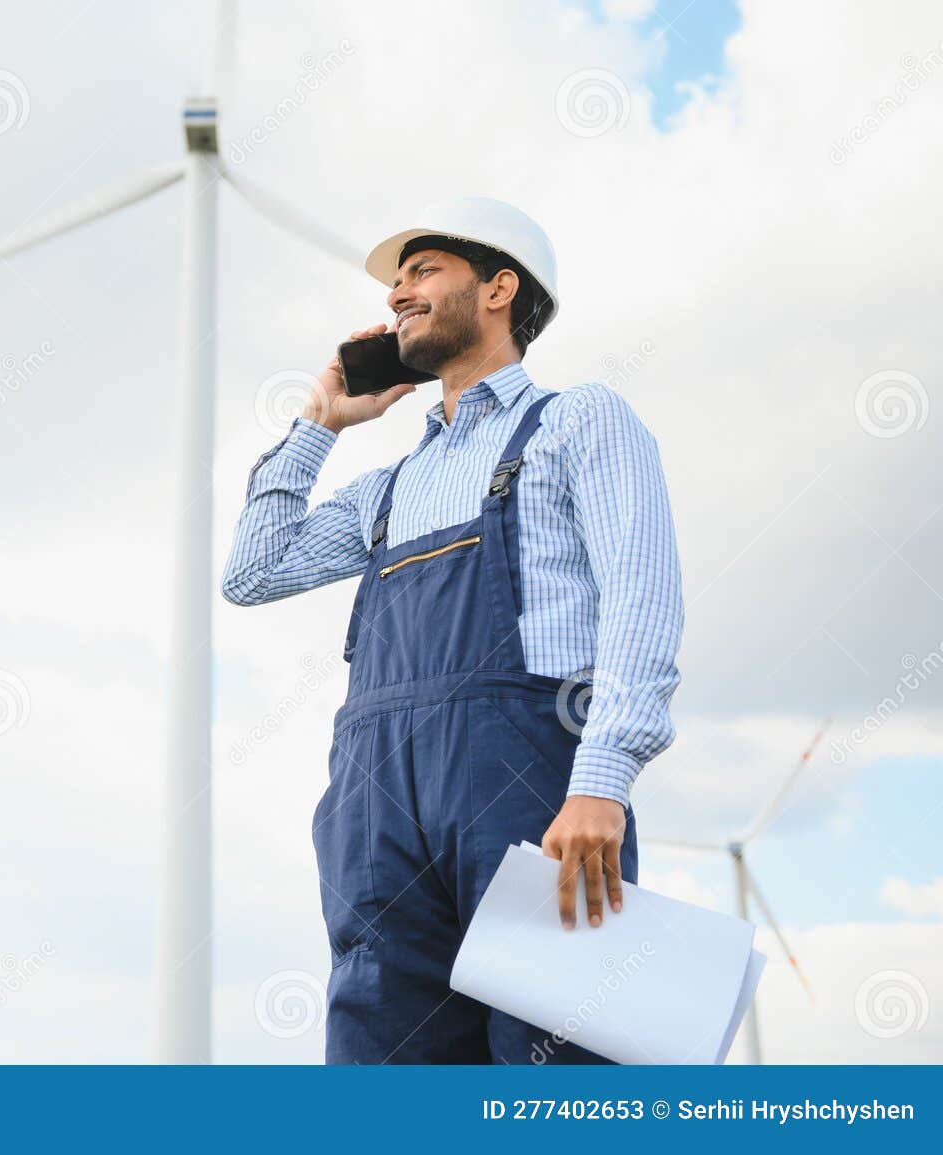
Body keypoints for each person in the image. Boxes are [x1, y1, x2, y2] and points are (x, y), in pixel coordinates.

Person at [220, 197, 684, 1064]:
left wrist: (603, 780)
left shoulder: (578, 420)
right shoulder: (388, 486)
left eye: (423, 271)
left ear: (500, 287)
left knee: (559, 1056)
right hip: (376, 801)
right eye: (396, 282)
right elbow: (252, 572)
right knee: (386, 1065)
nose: (398, 294)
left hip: (529, 782)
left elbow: (642, 600)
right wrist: (319, 424)